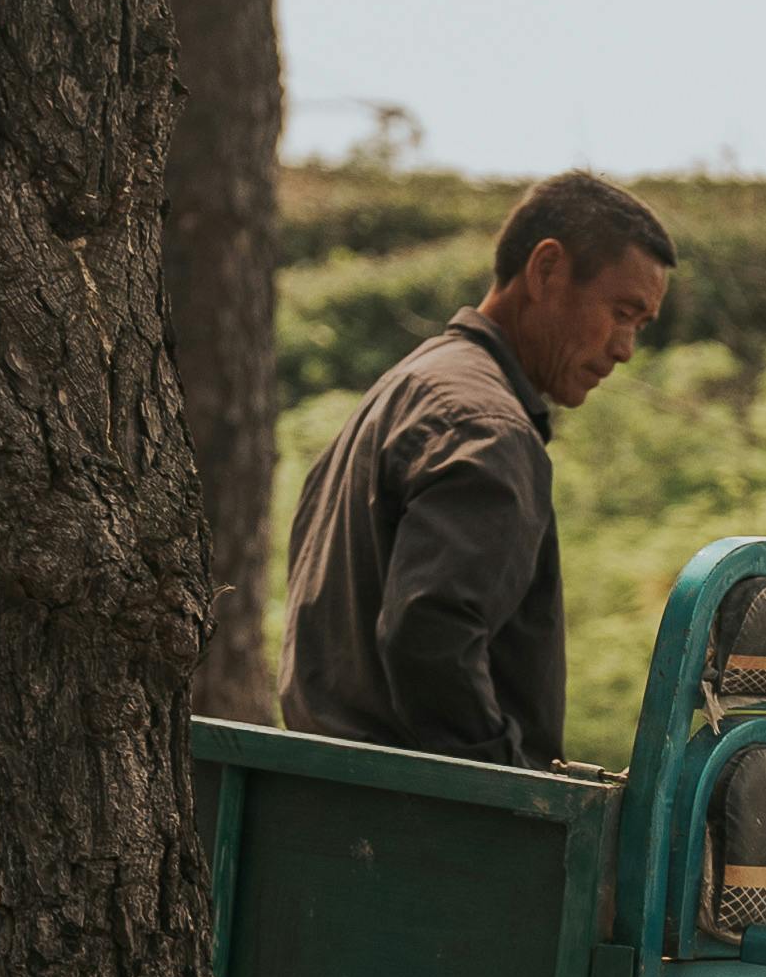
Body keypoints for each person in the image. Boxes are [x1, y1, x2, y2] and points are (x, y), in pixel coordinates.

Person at [279, 170, 674, 765]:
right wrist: (507, 793)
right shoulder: (487, 427)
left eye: (638, 326)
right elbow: (431, 637)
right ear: (546, 271)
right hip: (417, 828)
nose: (624, 349)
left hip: (332, 801)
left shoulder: (403, 388)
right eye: (621, 312)